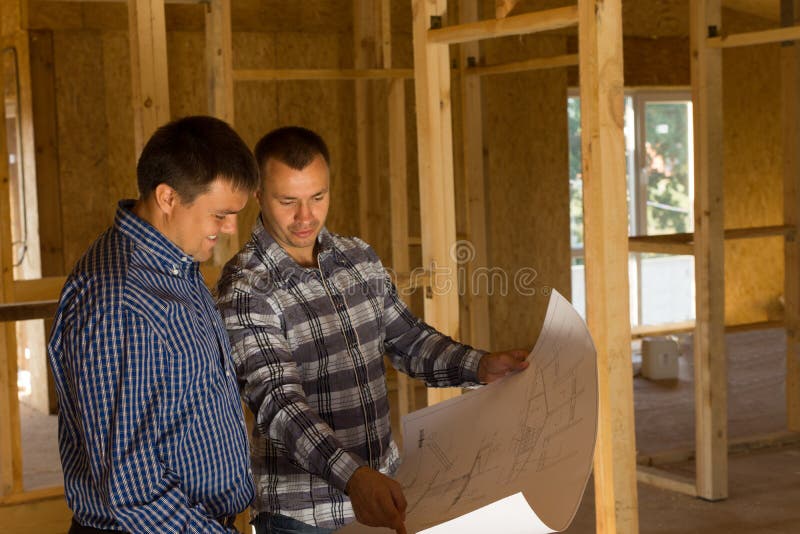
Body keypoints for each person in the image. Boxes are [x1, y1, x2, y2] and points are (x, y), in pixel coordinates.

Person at [216, 126, 529, 534]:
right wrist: (354, 477)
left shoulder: (358, 258)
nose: (305, 217)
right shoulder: (245, 289)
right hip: (303, 517)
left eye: (318, 197)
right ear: (258, 195)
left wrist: (481, 366)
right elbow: (280, 404)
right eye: (287, 201)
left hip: (384, 492)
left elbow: (409, 340)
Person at [48, 116, 260, 533]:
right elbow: (133, 486)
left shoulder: (173, 264)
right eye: (221, 214)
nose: (232, 228)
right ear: (167, 197)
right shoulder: (121, 301)